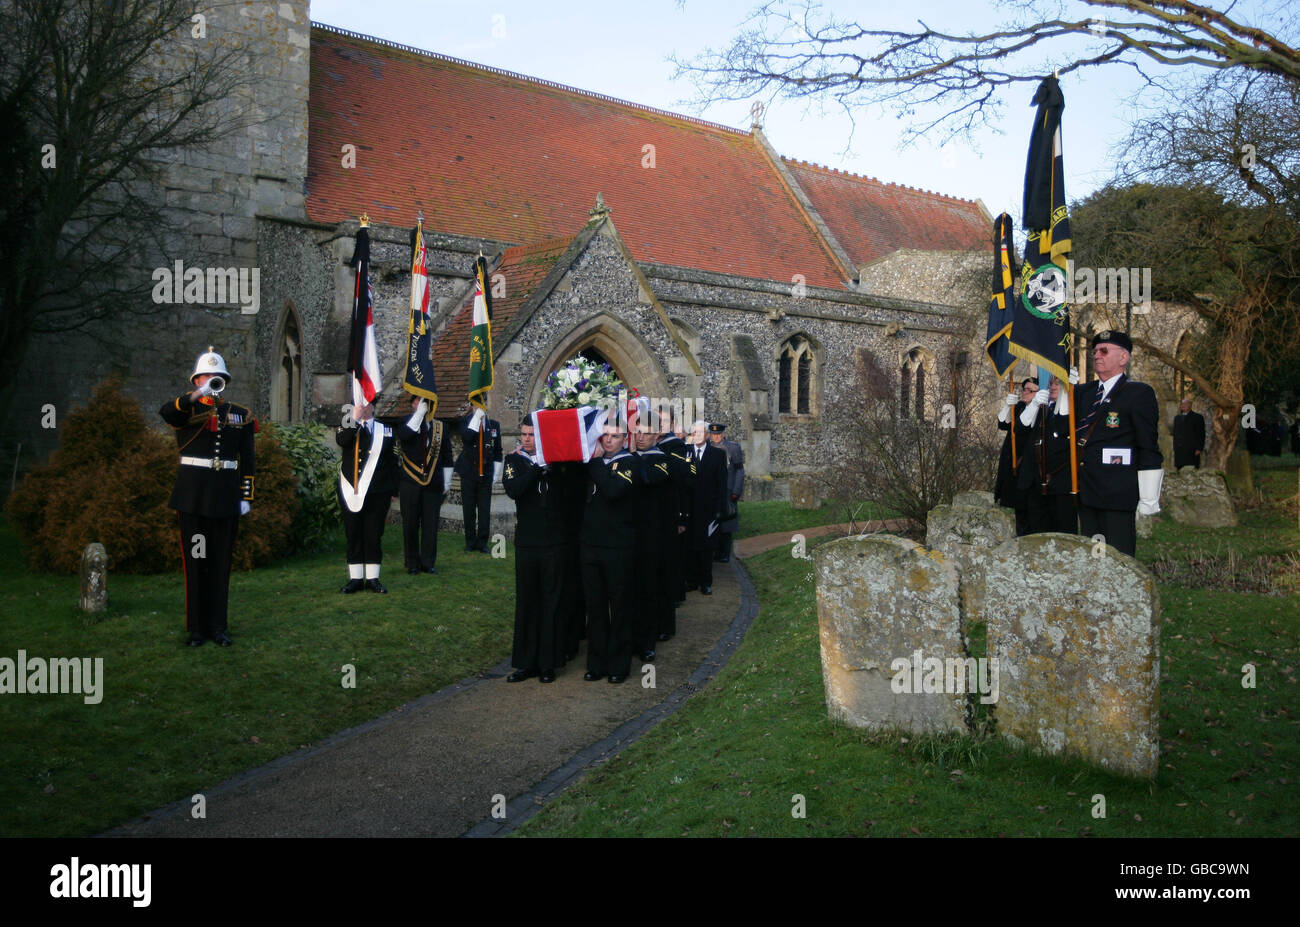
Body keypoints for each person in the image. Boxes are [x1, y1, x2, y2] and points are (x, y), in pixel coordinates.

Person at [160, 347, 256, 647]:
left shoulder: (240, 414)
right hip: (192, 497)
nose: (212, 380)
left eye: (218, 377)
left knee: (220, 564)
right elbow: (167, 412)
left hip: (226, 496)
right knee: (195, 562)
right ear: (196, 379)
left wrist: (246, 496)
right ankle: (196, 630)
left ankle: (218, 628)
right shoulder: (186, 410)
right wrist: (196, 395)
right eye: (206, 377)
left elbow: (248, 458)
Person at [1073, 330, 1163, 557]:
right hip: (1087, 488)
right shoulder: (1084, 392)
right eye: (1094, 351)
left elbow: (1148, 444)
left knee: (1119, 556)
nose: (1097, 356)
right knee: (1092, 555)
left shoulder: (1138, 393)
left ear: (1124, 358)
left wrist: (1149, 497)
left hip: (1117, 492)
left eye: (1104, 351)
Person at [502, 418, 568, 683]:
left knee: (550, 601)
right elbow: (514, 490)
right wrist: (535, 469)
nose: (527, 439)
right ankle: (525, 663)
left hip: (552, 542)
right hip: (527, 542)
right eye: (524, 434)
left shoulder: (556, 464)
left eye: (532, 435)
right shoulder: (514, 461)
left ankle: (548, 663)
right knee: (527, 601)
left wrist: (550, 465)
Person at [581, 422, 640, 683]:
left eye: (615, 436)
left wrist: (594, 464)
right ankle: (596, 662)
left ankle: (618, 665)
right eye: (604, 435)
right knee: (594, 608)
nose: (608, 440)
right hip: (591, 546)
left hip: (618, 547)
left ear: (624, 439)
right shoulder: (592, 464)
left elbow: (614, 491)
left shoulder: (630, 463)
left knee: (619, 606)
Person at [337, 397, 399, 593]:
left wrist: (393, 490)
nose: (362, 407)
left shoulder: (386, 430)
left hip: (378, 491)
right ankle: (355, 579)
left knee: (374, 534)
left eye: (365, 404)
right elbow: (342, 441)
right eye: (358, 404)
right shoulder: (348, 425)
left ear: (373, 406)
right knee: (353, 533)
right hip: (351, 490)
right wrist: (354, 419)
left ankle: (373, 578)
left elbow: (392, 462)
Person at [631, 407, 676, 658]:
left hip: (653, 535)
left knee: (649, 589)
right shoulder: (630, 457)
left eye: (646, 433)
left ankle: (647, 643)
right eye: (637, 431)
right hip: (631, 532)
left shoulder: (663, 460)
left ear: (657, 434)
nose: (640, 437)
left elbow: (648, 480)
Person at [396, 394, 454, 575]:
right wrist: (419, 415)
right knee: (410, 524)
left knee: (430, 525)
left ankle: (428, 562)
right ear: (412, 404)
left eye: (427, 402)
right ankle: (412, 563)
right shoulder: (404, 422)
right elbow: (405, 436)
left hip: (433, 484)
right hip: (410, 483)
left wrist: (446, 481)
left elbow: (447, 457)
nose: (423, 405)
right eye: (418, 401)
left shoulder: (440, 427)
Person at [1018, 376, 1077, 535]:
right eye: (1051, 383)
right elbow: (1020, 429)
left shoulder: (1073, 408)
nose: (1053, 387)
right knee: (1037, 533)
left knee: (1063, 533)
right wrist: (1035, 404)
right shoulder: (1042, 407)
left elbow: (1064, 430)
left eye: (1059, 383)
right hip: (1036, 480)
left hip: (1061, 482)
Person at [684, 419, 727, 595]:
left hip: (709, 509)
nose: (697, 436)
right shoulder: (685, 453)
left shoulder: (717, 454)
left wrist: (720, 509)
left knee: (707, 548)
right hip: (689, 508)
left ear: (707, 435)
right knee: (690, 546)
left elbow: (722, 484)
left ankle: (706, 582)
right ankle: (692, 580)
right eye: (694, 433)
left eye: (700, 432)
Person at [655, 409, 692, 610]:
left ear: (671, 425)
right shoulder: (652, 445)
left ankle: (674, 597)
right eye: (656, 420)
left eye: (664, 421)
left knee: (672, 561)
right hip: (656, 513)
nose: (660, 424)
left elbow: (682, 482)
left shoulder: (676, 446)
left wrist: (682, 518)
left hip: (673, 510)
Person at [455, 405, 502, 553]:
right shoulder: (465, 421)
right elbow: (467, 437)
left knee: (484, 510)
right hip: (469, 471)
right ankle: (470, 542)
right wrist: (476, 418)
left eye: (481, 404)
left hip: (486, 472)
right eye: (476, 404)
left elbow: (498, 450)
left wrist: (496, 474)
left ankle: (482, 543)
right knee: (468, 509)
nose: (479, 407)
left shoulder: (493, 425)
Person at [994, 379, 1036, 536]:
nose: (1025, 392)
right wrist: (1007, 406)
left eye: (1030, 390)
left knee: (1028, 511)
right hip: (1011, 464)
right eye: (1024, 389)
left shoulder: (1040, 410)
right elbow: (1003, 424)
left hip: (1026, 465)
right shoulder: (1018, 407)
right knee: (1018, 511)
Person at [709, 422, 745, 563]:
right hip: (712, 491)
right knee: (712, 522)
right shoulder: (708, 448)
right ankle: (713, 551)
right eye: (713, 434)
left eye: (718, 434)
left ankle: (725, 553)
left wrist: (736, 491)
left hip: (728, 490)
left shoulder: (733, 448)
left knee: (727, 524)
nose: (716, 437)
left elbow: (739, 471)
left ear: (723, 434)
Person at [1171, 398, 1206, 469]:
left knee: (1191, 469)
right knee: (1179, 469)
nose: (1183, 405)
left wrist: (1199, 448)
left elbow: (1201, 434)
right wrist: (1175, 447)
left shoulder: (1197, 417)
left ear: (1190, 405)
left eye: (1185, 404)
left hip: (1191, 450)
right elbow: (1175, 433)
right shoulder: (1177, 418)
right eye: (1182, 404)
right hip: (1179, 450)